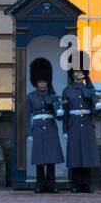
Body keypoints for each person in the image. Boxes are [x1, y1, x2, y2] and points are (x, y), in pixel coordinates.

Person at [61, 55, 101, 193]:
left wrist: (97, 108)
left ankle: (86, 184)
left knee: (86, 154)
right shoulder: (67, 91)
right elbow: (66, 112)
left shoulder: (90, 89)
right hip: (73, 124)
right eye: (76, 71)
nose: (78, 73)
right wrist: (65, 130)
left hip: (86, 123)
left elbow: (94, 110)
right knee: (75, 155)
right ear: (72, 73)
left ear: (84, 73)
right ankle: (75, 184)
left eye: (80, 71)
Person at [26, 57, 64, 193]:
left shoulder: (53, 96)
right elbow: (27, 116)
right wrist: (28, 133)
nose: (42, 84)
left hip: (50, 127)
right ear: (36, 82)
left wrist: (57, 109)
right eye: (40, 81)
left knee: (51, 158)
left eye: (44, 81)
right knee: (40, 159)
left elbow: (59, 117)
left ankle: (51, 184)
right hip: (37, 128)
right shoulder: (30, 97)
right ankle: (40, 183)